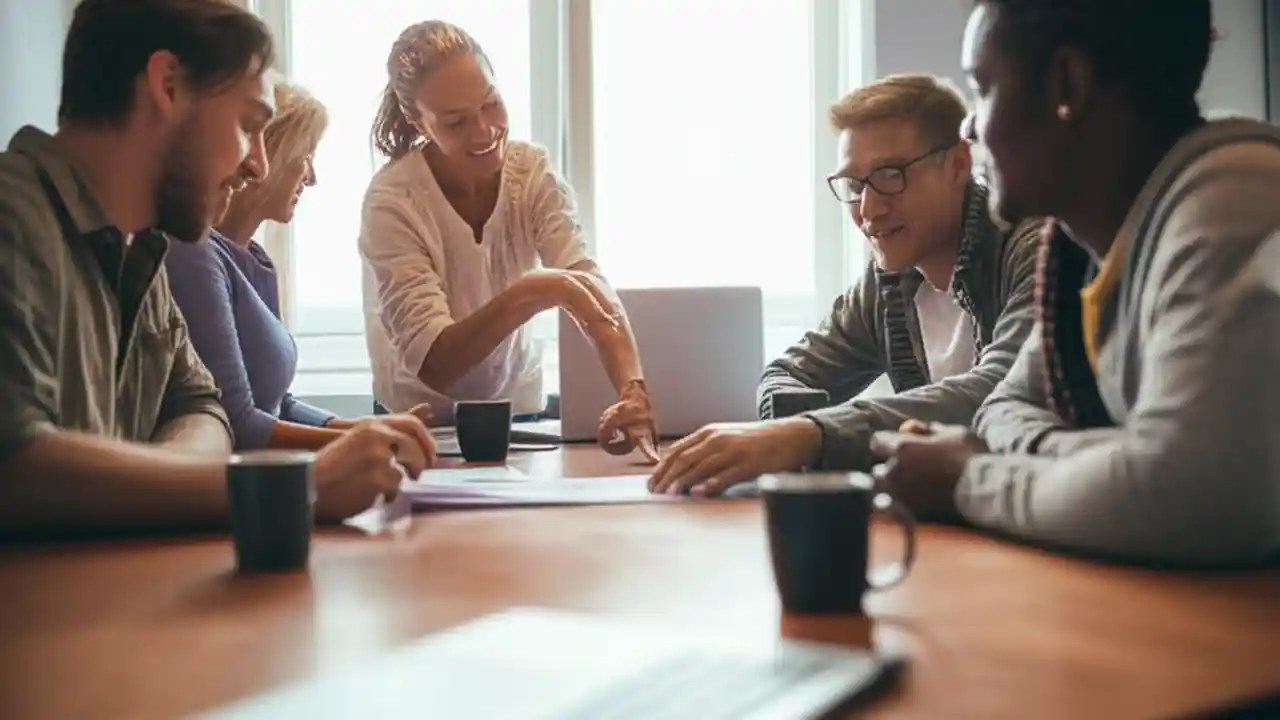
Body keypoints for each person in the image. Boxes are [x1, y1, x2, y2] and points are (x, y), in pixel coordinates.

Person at [0, 0, 434, 536]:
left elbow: (203, 407)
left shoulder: (144, 252)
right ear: (168, 85)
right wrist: (299, 487)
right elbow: (15, 464)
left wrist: (160, 480)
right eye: (250, 126)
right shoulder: (13, 219)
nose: (257, 165)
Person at [876, 0, 1280, 566]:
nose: (968, 126)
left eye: (982, 86)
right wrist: (1108, 457)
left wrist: (967, 478)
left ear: (1068, 85)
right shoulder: (1080, 252)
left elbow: (1194, 498)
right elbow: (1001, 408)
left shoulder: (1234, 202)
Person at [649, 75, 1043, 496]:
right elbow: (790, 374)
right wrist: (793, 440)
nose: (868, 210)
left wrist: (809, 436)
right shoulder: (887, 283)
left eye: (890, 175)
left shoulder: (1036, 250)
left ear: (958, 166)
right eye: (855, 185)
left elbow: (999, 390)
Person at [359, 20, 659, 461]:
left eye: (491, 104)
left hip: (516, 416)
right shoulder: (392, 202)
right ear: (414, 119)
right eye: (456, 121)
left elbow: (588, 283)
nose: (483, 131)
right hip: (419, 427)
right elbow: (437, 366)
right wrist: (533, 291)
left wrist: (632, 390)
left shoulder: (530, 171)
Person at [165, 77, 432, 450]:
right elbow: (236, 420)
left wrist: (366, 429)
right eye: (305, 156)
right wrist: (363, 443)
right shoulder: (196, 256)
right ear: (269, 154)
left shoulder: (254, 261)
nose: (312, 176)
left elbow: (277, 405)